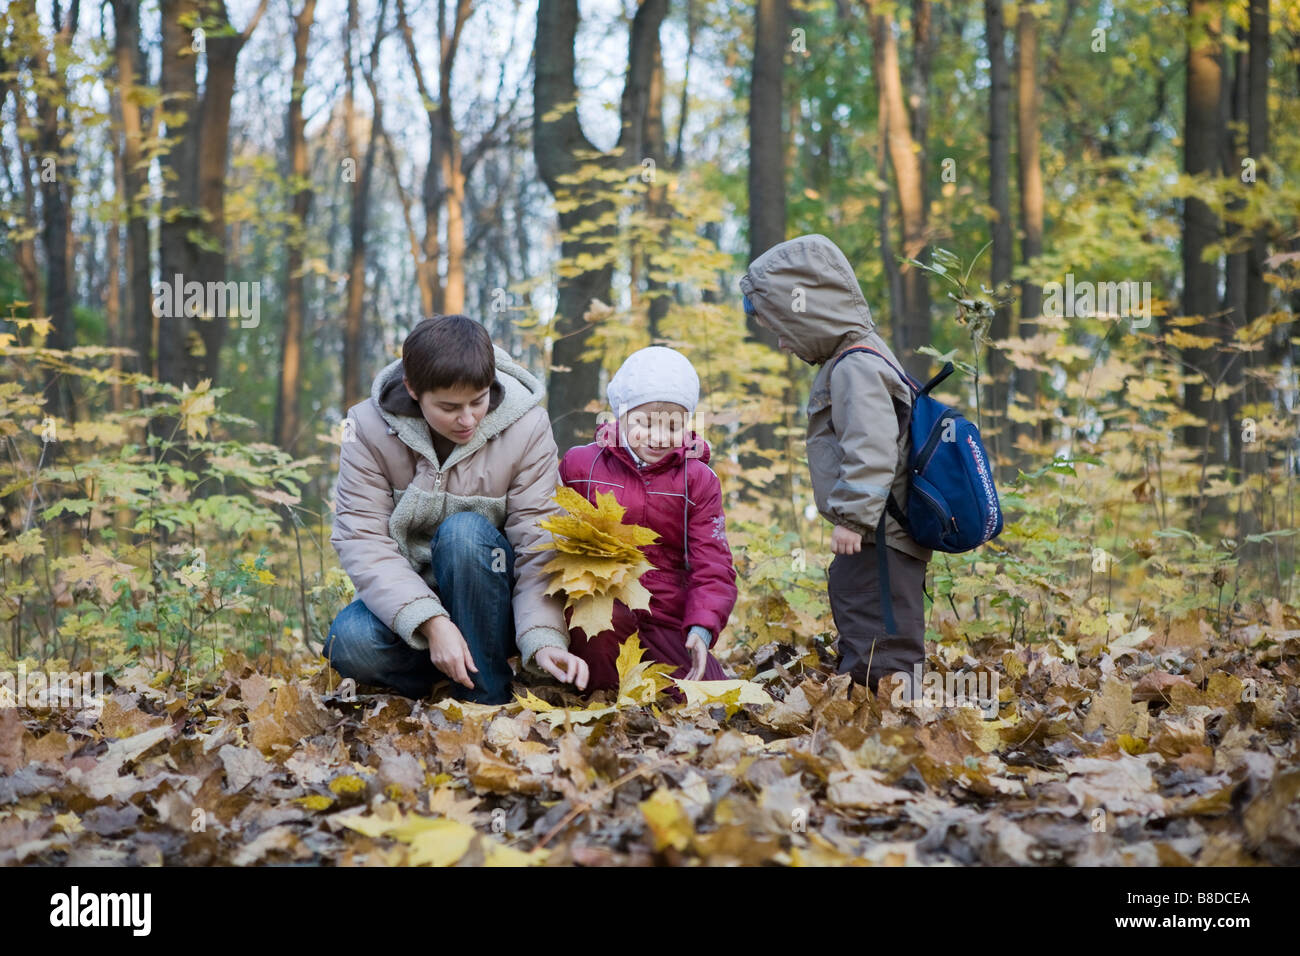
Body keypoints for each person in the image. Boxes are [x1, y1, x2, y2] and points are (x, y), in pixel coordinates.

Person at [324, 314, 589, 704]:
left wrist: (543, 637)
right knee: (348, 642)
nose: (467, 420)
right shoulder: (366, 427)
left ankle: (487, 697)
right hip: (413, 600)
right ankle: (446, 674)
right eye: (449, 407)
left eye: (478, 401)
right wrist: (431, 623)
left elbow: (539, 542)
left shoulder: (528, 425)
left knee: (464, 534)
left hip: (495, 602)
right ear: (413, 389)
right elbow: (363, 539)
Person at [740, 234, 933, 693]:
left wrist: (851, 516)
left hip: (878, 533)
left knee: (879, 622)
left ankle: (886, 709)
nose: (784, 344)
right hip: (880, 531)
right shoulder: (857, 359)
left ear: (811, 312)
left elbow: (872, 447)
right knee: (864, 609)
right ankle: (864, 696)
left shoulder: (855, 366)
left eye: (783, 329)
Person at [558, 346, 737, 692]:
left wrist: (701, 627)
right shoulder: (582, 466)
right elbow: (551, 538)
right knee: (604, 647)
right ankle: (600, 692)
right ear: (621, 416)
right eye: (644, 423)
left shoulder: (697, 480)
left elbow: (713, 564)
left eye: (672, 425)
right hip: (600, 603)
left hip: (666, 613)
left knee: (708, 695)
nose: (658, 437)